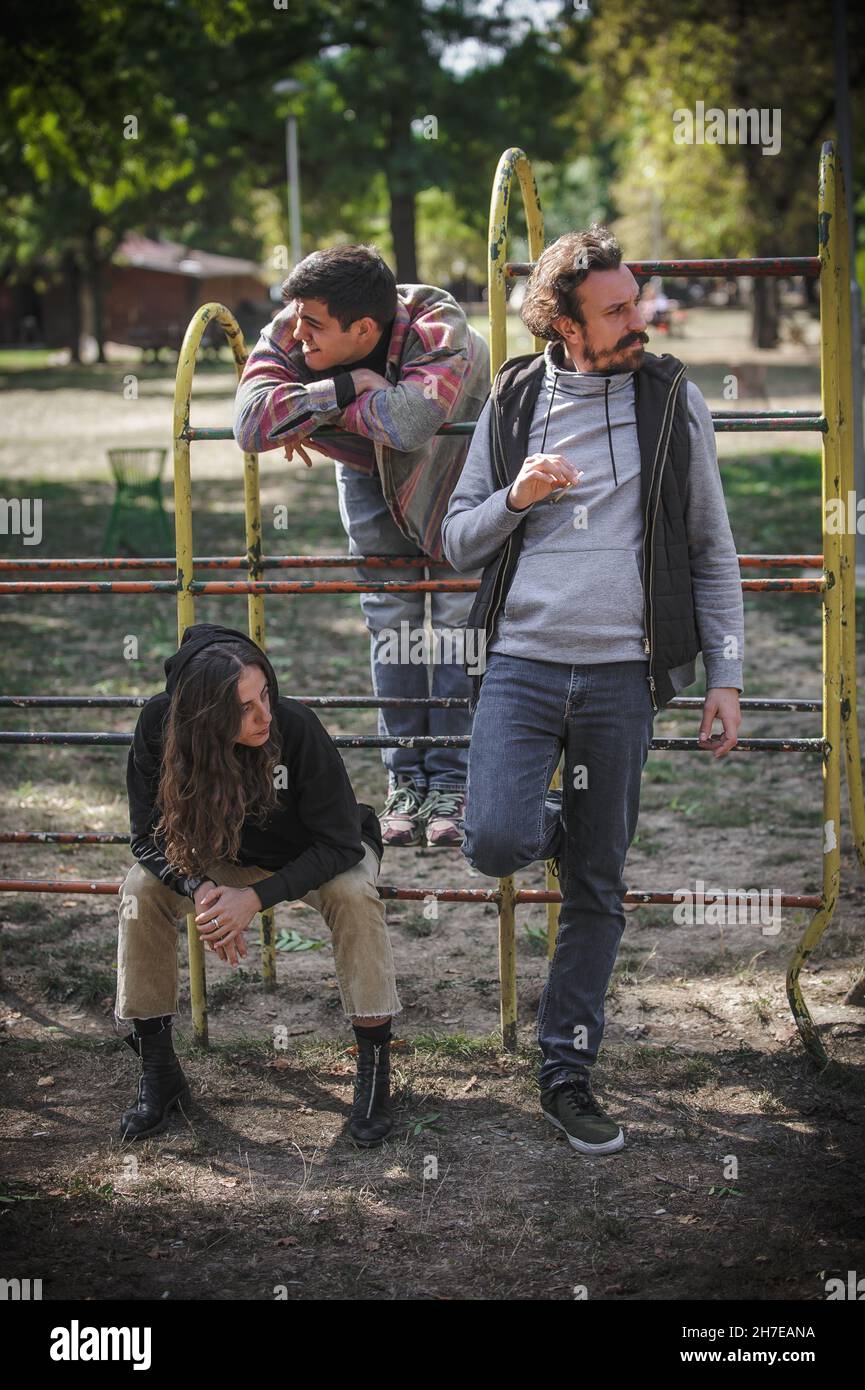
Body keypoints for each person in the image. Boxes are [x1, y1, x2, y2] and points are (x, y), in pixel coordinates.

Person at [441, 226, 744, 1157]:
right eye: (615, 309)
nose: (637, 318)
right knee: (494, 839)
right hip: (524, 665)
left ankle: (565, 1071)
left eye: (636, 300)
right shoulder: (516, 397)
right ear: (563, 322)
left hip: (623, 677)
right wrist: (519, 497)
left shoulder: (670, 398)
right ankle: (564, 829)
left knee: (597, 890)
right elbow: (457, 540)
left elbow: (710, 546)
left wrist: (724, 676)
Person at [233, 245, 490, 849]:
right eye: (296, 320)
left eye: (313, 327)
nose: (297, 336)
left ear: (365, 328)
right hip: (370, 477)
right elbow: (250, 426)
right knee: (391, 621)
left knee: (457, 623)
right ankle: (407, 780)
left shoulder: (437, 323)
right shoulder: (298, 325)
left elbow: (410, 424)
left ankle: (453, 780)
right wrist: (345, 384)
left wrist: (311, 412)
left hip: (460, 477)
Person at [115, 622, 400, 1147]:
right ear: (202, 715)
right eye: (244, 708)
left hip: (318, 855)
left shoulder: (295, 726)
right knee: (140, 892)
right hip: (217, 860)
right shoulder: (160, 724)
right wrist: (200, 888)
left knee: (354, 896)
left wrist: (255, 900)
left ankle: (376, 1071)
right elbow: (144, 835)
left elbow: (341, 844)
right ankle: (159, 1072)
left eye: (264, 693)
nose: (264, 715)